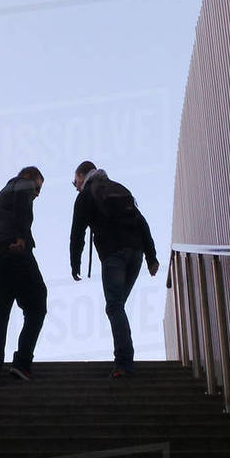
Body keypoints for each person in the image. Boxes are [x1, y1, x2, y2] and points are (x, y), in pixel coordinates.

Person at [69, 160, 159, 377]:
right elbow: (141, 222)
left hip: (114, 255)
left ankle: (124, 363)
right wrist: (151, 257)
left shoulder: (87, 194)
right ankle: (124, 358)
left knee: (114, 306)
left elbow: (77, 231)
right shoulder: (118, 187)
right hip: (136, 254)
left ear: (82, 175)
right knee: (117, 306)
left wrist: (75, 263)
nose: (75, 185)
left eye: (75, 181)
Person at [0, 166, 47, 387]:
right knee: (37, 303)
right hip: (13, 249)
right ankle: (22, 363)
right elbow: (22, 208)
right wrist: (21, 237)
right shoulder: (22, 185)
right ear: (29, 178)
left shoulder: (2, 195)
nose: (37, 193)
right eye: (38, 187)